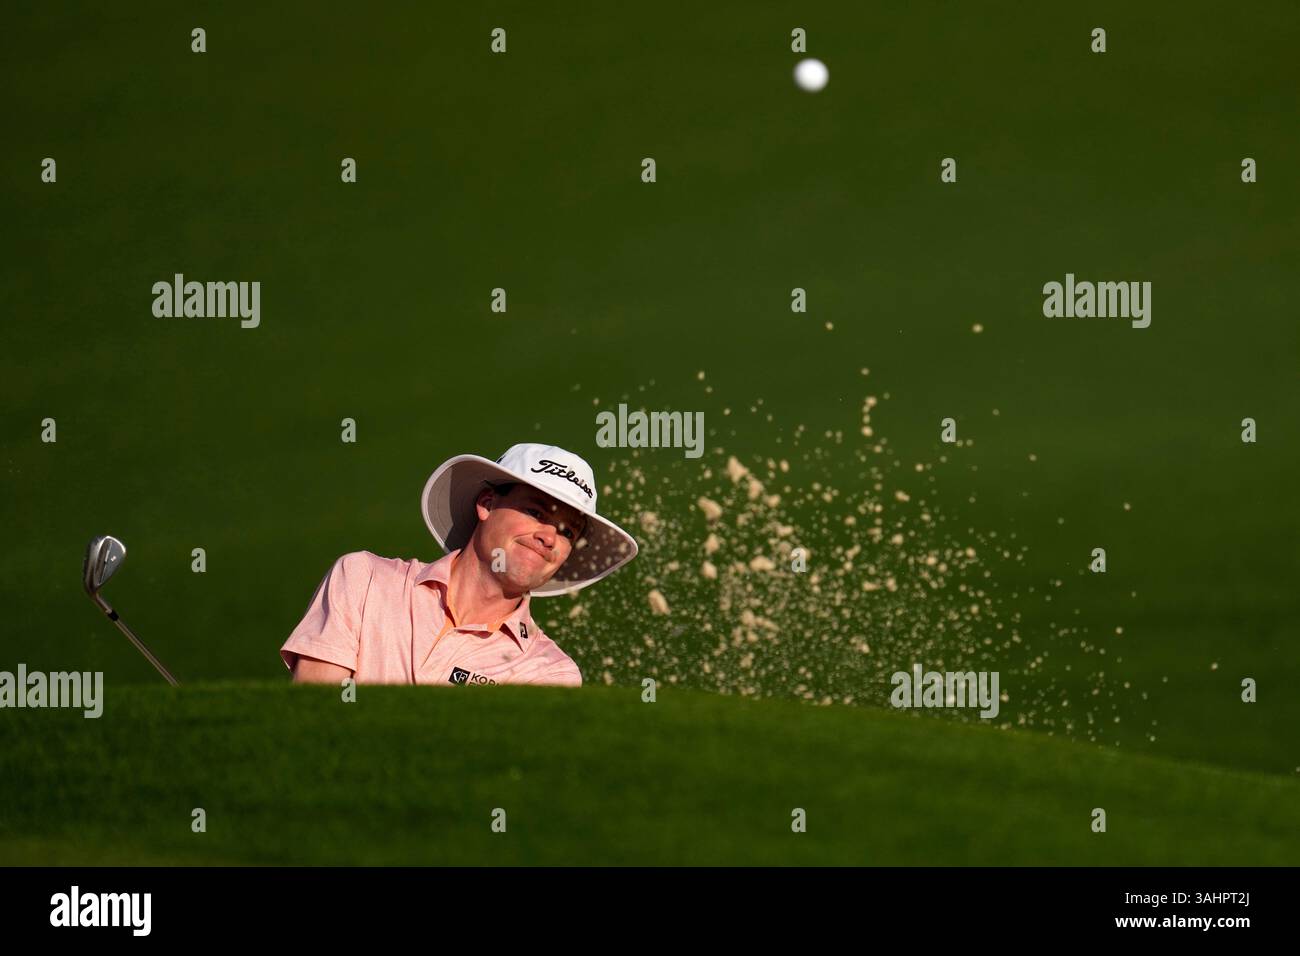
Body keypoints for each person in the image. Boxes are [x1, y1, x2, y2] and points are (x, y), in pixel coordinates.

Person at [280, 443, 638, 686]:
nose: (549, 537)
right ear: (485, 504)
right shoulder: (364, 579)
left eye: (567, 531)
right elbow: (316, 717)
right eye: (535, 512)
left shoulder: (549, 673)